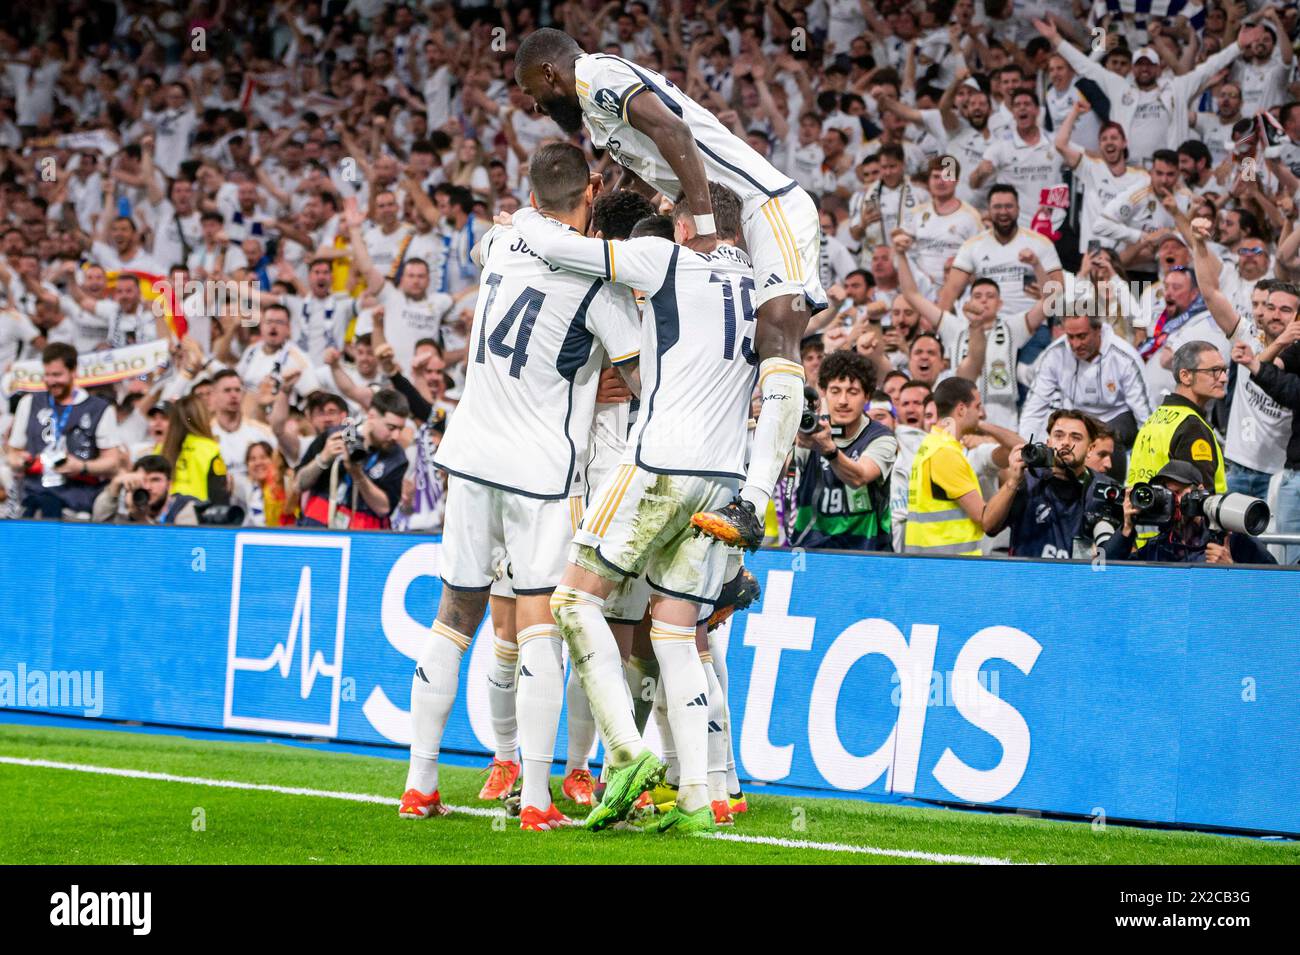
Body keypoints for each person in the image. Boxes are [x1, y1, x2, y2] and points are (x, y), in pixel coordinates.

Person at [400, 143, 642, 830]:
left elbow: (497, 233)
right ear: (592, 189)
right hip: (539, 472)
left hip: (469, 455)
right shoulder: (601, 284)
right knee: (540, 626)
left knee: (453, 616)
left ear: (532, 197)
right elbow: (641, 377)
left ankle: (420, 785)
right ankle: (536, 798)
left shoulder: (503, 244)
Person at [514, 28, 829, 552]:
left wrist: (702, 225)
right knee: (737, 348)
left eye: (533, 92)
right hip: (735, 221)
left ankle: (753, 504)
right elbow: (648, 169)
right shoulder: (596, 111)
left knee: (776, 334)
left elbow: (674, 132)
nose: (536, 106)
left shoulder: (597, 74)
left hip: (766, 206)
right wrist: (603, 216)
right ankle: (729, 565)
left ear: (550, 73)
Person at [511, 178, 757, 834]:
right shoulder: (760, 283)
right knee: (680, 634)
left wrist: (527, 213)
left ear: (688, 225)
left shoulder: (666, 260)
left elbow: (556, 245)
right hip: (726, 475)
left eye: (674, 212)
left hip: (658, 463)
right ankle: (702, 794)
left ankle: (625, 755)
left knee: (572, 601)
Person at [790, 350, 898, 550]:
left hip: (868, 553)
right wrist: (787, 441)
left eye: (853, 392)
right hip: (811, 551)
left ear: (867, 396)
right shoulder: (809, 429)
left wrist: (828, 450)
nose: (843, 401)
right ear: (823, 392)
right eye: (835, 391)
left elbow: (859, 477)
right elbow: (778, 474)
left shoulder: (881, 437)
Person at [1018, 311, 1150, 471]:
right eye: (1070, 337)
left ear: (1098, 329)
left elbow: (1145, 416)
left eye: (1082, 336)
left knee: (1104, 439)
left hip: (1116, 421)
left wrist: (1147, 462)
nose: (1075, 344)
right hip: (1076, 420)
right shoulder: (1054, 354)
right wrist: (1027, 451)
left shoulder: (1125, 357)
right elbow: (1034, 408)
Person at [4, 342, 123, 519]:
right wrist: (21, 461)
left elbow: (113, 462)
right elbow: (13, 453)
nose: (51, 381)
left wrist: (81, 467)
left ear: (73, 371)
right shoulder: (29, 403)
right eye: (47, 375)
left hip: (78, 501)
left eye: (57, 375)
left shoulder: (99, 409)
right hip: (33, 496)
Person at [904, 377, 1015, 556]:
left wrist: (980, 425)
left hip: (931, 561)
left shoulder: (931, 444)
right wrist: (1012, 483)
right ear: (962, 409)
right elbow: (985, 519)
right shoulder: (945, 453)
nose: (981, 413)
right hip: (950, 565)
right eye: (977, 407)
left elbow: (1019, 447)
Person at [1103, 460, 1275, 565]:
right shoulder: (1159, 547)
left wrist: (1232, 569)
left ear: (1199, 491)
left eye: (1177, 492)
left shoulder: (1230, 538)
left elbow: (1276, 584)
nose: (1171, 500)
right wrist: (1126, 528)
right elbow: (1105, 571)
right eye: (1164, 494)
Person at [981, 409, 1100, 559]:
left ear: (1090, 449)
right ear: (1048, 443)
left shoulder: (1101, 489)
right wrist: (1013, 480)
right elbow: (989, 526)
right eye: (1058, 435)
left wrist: (1098, 552)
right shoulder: (1028, 481)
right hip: (1029, 573)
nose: (1065, 442)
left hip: (1075, 574)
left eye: (1075, 437)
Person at [295, 389, 410, 530]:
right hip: (320, 525)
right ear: (372, 416)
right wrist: (323, 459)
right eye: (391, 428)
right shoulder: (336, 435)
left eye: (400, 429)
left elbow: (384, 509)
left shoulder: (397, 457)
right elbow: (299, 484)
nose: (396, 436)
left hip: (363, 532)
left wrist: (357, 475)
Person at [1128, 340, 1229, 495]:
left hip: (1143, 504)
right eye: (1214, 370)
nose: (1223, 378)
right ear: (1185, 376)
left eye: (1224, 370)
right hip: (1171, 510)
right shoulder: (1192, 426)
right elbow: (1199, 498)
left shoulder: (1157, 416)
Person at [159, 394, 230, 505]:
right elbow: (218, 494)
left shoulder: (160, 449)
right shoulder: (210, 449)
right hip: (197, 512)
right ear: (201, 417)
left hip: (165, 511)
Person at [92, 454, 199, 525]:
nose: (147, 487)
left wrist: (140, 519)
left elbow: (178, 546)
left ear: (169, 485)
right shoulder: (130, 508)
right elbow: (99, 526)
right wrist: (114, 487)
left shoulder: (183, 507)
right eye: (142, 480)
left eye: (155, 480)